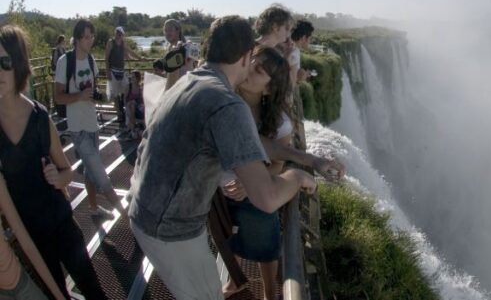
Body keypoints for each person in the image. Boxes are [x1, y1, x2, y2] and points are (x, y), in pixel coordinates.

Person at [128, 16, 317, 300]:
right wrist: (298, 176)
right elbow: (265, 197)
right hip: (170, 229)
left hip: (144, 209)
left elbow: (255, 142)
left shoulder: (189, 80)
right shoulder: (227, 104)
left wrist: (306, 158)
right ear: (245, 57)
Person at [223, 46, 345, 300]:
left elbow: (275, 162)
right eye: (252, 61)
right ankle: (235, 280)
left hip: (246, 187)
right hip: (218, 184)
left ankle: (270, 293)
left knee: (262, 219)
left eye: (260, 70)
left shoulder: (279, 122)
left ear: (269, 88)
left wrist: (252, 181)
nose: (250, 70)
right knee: (226, 232)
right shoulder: (226, 97)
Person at [0, 25, 105, 300]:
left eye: (5, 62)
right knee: (56, 293)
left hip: (61, 224)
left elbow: (68, 170)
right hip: (30, 237)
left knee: (93, 290)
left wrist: (61, 178)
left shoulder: (39, 117)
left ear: (19, 63)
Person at [54, 19, 121, 219]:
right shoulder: (64, 62)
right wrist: (79, 97)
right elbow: (57, 97)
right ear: (76, 39)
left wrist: (98, 95)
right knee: (100, 174)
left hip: (93, 124)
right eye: (85, 37)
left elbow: (92, 90)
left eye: (91, 36)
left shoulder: (91, 60)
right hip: (78, 127)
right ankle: (127, 216)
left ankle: (93, 208)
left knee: (91, 171)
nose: (89, 40)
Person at [105, 26, 143, 124]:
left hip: (121, 71)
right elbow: (106, 58)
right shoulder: (110, 42)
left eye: (120, 34)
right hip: (113, 71)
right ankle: (119, 114)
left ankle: (125, 112)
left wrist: (139, 58)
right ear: (115, 33)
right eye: (117, 33)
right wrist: (107, 71)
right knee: (115, 95)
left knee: (125, 91)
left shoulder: (123, 43)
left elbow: (129, 52)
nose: (119, 35)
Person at [162, 18, 195, 90]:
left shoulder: (186, 48)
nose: (167, 33)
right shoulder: (168, 48)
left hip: (183, 88)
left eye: (170, 30)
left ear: (178, 31)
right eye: (165, 30)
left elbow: (191, 70)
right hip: (171, 87)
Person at [289, 20, 315, 86]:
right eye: (310, 38)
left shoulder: (292, 48)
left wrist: (303, 75)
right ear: (303, 38)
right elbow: (290, 82)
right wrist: (301, 78)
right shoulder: (293, 52)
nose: (310, 41)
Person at [124, 71, 145, 140]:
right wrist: (126, 107)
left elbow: (142, 100)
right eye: (131, 76)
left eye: (133, 77)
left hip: (138, 107)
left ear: (137, 78)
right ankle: (134, 129)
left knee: (133, 104)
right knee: (131, 104)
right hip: (130, 107)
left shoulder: (140, 87)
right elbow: (125, 99)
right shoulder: (128, 87)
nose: (131, 78)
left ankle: (135, 129)